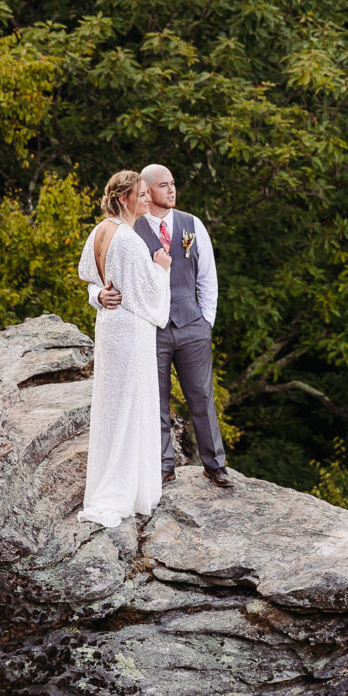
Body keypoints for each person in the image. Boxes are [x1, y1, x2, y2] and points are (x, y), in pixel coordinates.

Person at [93, 164, 232, 489]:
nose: (171, 190)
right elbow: (99, 274)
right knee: (155, 399)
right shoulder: (127, 228)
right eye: (163, 185)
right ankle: (162, 466)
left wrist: (205, 322)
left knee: (201, 396)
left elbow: (207, 278)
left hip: (191, 326)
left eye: (173, 184)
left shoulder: (191, 224)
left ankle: (215, 465)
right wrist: (98, 295)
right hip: (148, 330)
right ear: (147, 190)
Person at [75, 170, 176, 527]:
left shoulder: (99, 231)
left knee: (111, 405)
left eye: (149, 194)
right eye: (142, 195)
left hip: (109, 327)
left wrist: (98, 296)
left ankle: (110, 481)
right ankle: (126, 489)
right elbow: (150, 299)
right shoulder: (131, 241)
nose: (148, 200)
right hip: (131, 331)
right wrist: (162, 267)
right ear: (124, 199)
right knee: (131, 403)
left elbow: (89, 276)